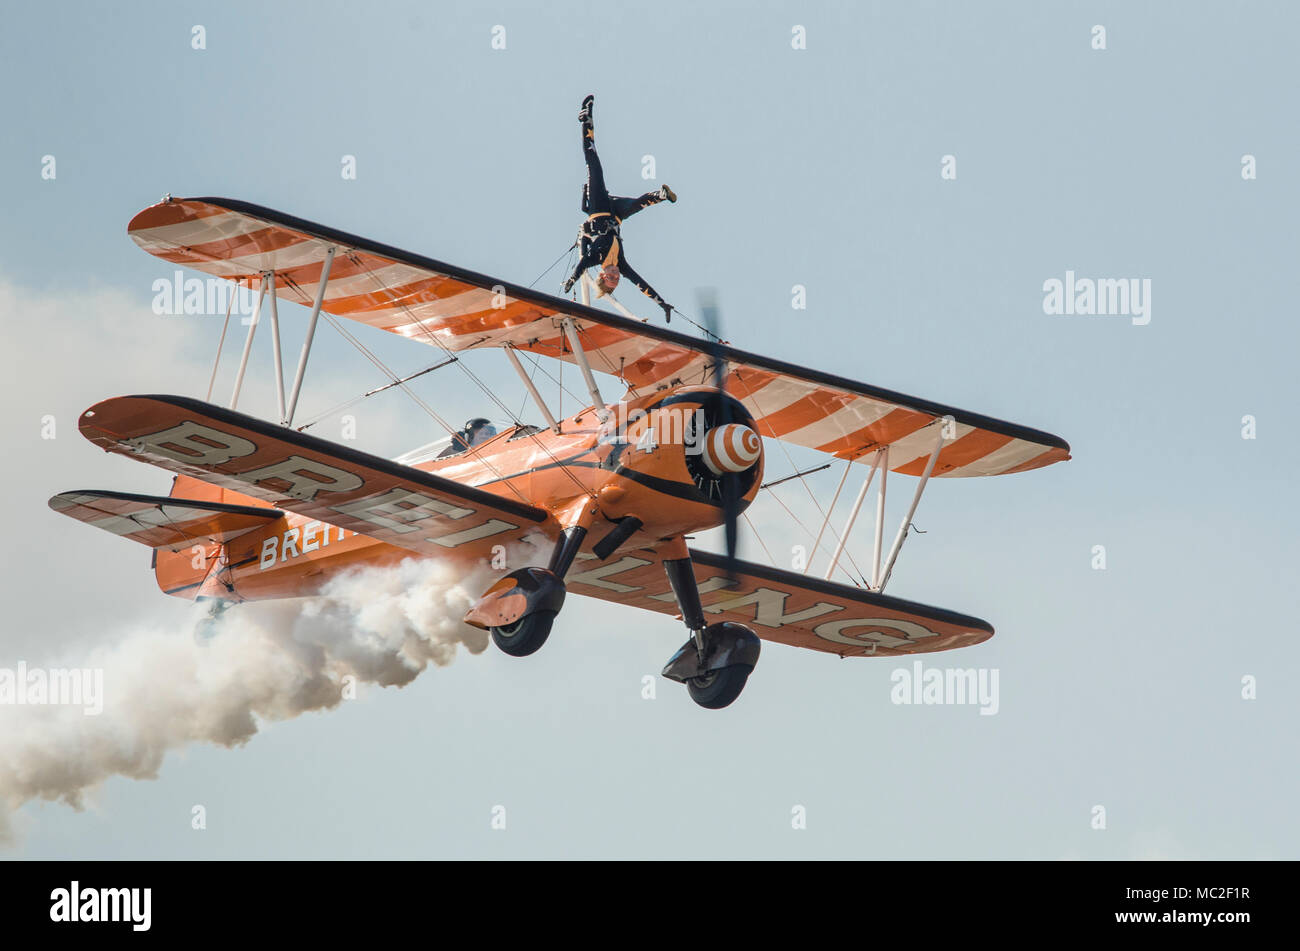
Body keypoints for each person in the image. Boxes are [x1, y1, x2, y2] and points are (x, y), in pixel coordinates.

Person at [562, 95, 677, 321]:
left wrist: (571, 280)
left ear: (603, 275)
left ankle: (586, 119)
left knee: (594, 164)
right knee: (637, 205)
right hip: (615, 215)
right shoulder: (621, 263)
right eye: (616, 279)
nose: (615, 276)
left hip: (598, 207)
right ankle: (662, 195)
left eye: (611, 278)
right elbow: (640, 283)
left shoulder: (597, 257)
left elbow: (583, 262)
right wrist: (662, 303)